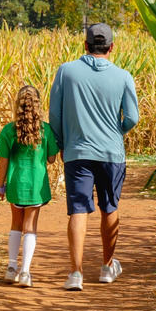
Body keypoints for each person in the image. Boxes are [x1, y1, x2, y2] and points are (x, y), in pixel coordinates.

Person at [48, 23, 139, 291]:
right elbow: (132, 117)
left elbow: (55, 114)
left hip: (77, 152)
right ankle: (106, 267)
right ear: (111, 47)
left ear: (85, 45)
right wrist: (115, 131)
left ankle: (75, 273)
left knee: (78, 209)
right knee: (109, 207)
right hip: (112, 152)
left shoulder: (66, 72)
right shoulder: (123, 76)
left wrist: (62, 142)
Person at [0, 85, 59, 288]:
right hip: (36, 186)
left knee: (16, 225)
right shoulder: (45, 130)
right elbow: (52, 159)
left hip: (15, 184)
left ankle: (11, 268)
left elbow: (3, 162)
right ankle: (26, 272)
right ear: (37, 105)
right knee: (30, 227)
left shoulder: (8, 130)